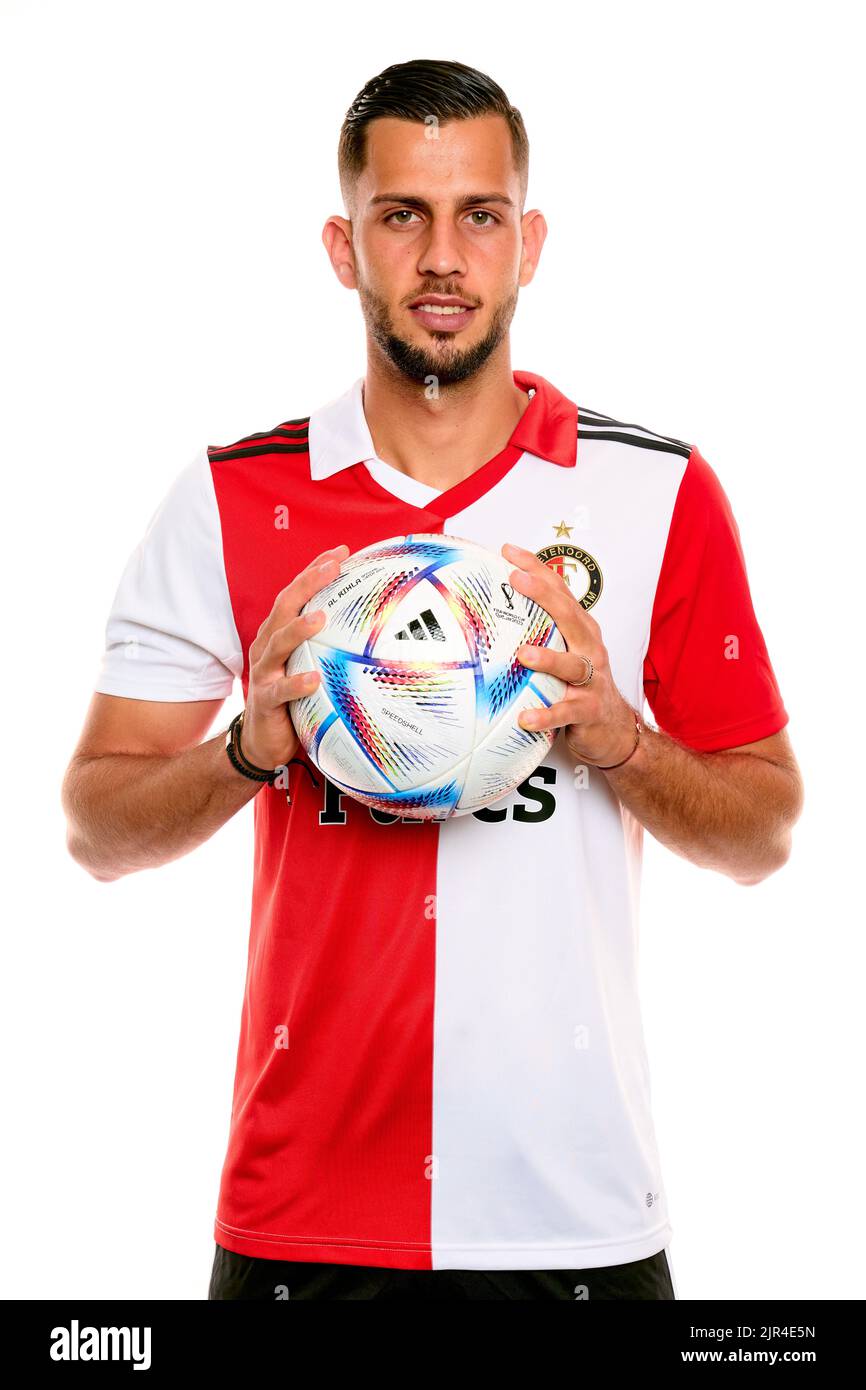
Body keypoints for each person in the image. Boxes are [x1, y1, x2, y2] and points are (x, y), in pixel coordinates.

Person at [61, 58, 804, 1302]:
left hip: (573, 1225)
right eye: (401, 215)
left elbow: (763, 834)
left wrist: (619, 740)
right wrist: (250, 747)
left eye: (480, 215)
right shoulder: (231, 496)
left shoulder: (653, 492)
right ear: (343, 246)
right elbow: (95, 829)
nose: (443, 257)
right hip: (301, 1222)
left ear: (530, 241)